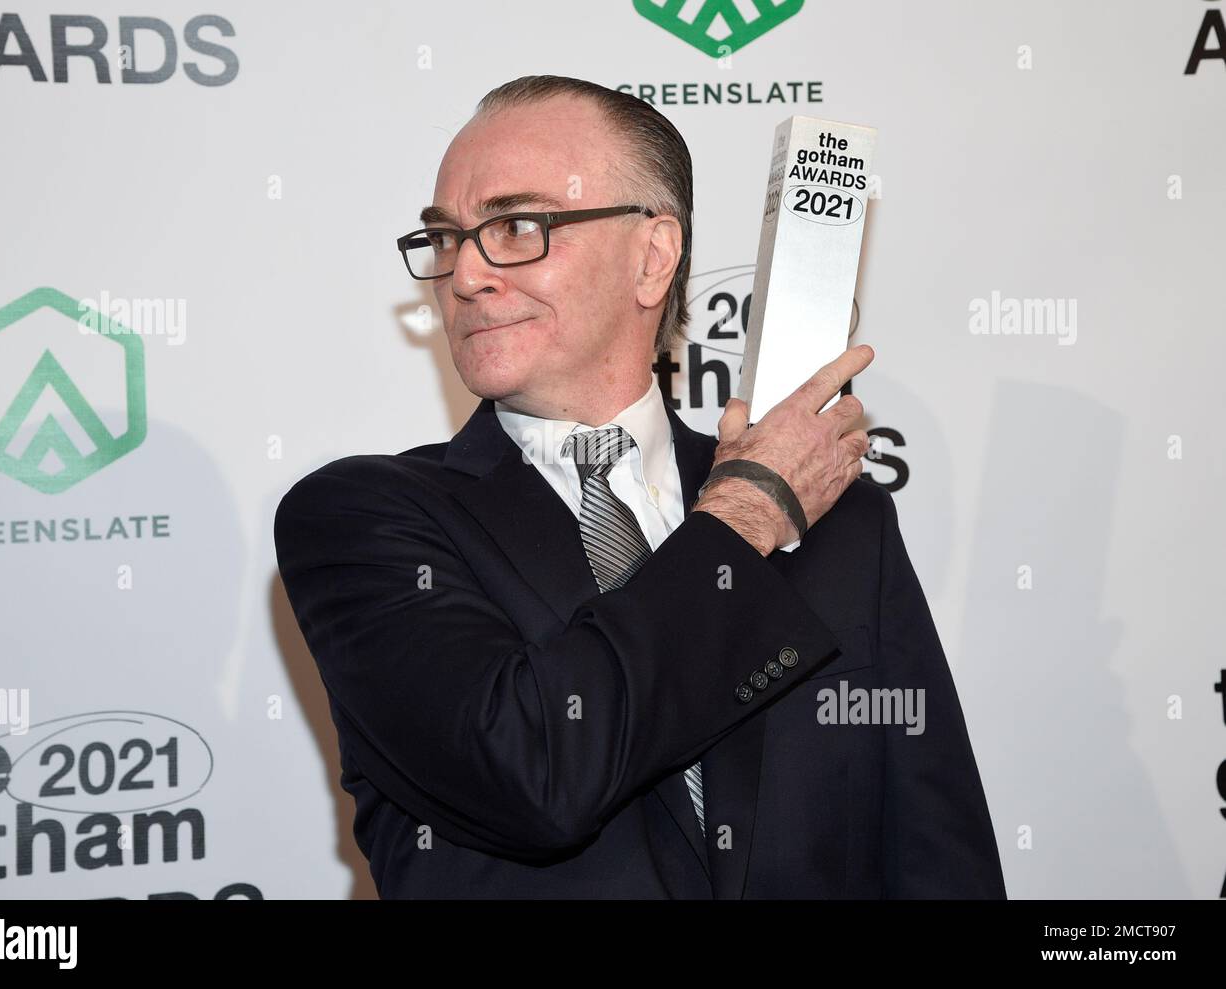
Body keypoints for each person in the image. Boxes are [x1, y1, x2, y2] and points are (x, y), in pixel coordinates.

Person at [274, 74, 1006, 899]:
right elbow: (534, 775)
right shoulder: (361, 521)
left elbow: (937, 852)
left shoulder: (843, 520)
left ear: (653, 256)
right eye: (446, 239)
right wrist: (743, 514)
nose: (466, 276)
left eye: (517, 226)